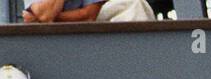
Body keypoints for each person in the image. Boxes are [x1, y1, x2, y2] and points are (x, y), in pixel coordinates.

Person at [21, 0, 153, 21]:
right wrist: (43, 18)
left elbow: (88, 16)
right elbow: (45, 15)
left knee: (135, 3)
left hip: (85, 31)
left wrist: (38, 18)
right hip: (49, 41)